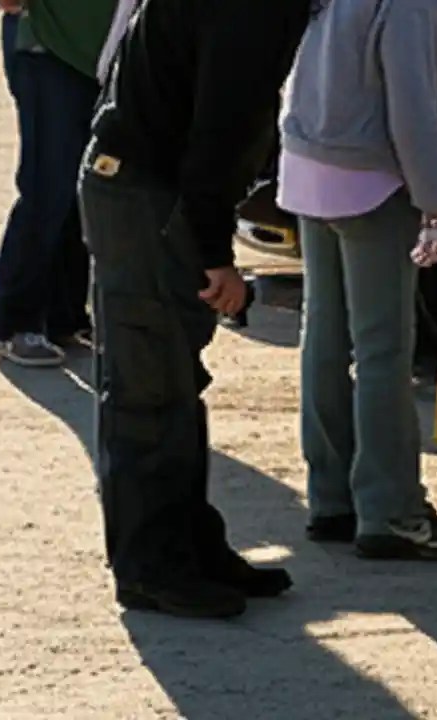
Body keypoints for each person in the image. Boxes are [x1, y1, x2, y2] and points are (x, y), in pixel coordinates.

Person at [78, 0, 311, 618]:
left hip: (145, 185)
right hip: (143, 194)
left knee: (173, 380)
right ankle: (153, 567)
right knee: (149, 388)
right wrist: (215, 256)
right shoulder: (254, 12)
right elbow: (222, 130)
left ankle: (190, 546)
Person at [278, 0, 437, 560]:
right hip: (369, 179)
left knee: (322, 336)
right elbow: (412, 113)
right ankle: (391, 508)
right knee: (382, 350)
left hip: (307, 165)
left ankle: (332, 496)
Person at [0, 0, 125, 367]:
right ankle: (14, 323)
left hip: (99, 60)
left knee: (83, 189)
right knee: (48, 187)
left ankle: (63, 318)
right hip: (46, 51)